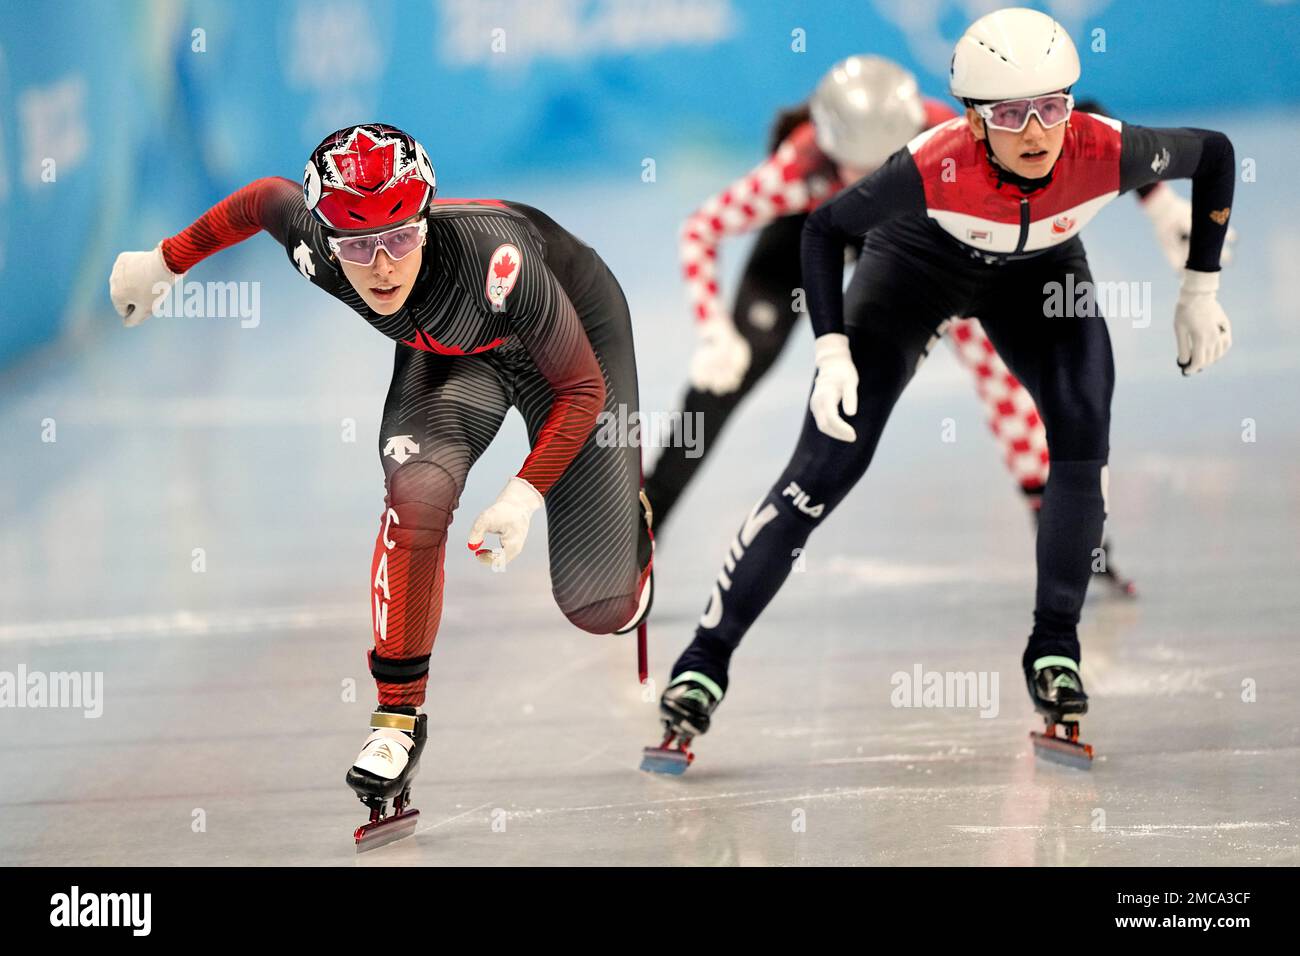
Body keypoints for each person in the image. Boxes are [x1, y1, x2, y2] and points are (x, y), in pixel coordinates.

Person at [647, 9, 1235, 769]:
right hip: (916, 271)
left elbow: (1214, 155)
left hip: (1041, 276)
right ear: (972, 119)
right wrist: (831, 351)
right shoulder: (933, 162)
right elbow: (822, 231)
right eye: (1012, 114)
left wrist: (1200, 289)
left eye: (1053, 107)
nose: (1036, 132)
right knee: (826, 466)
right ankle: (704, 661)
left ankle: (1055, 648)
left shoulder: (1102, 147)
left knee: (1083, 429)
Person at [109, 124, 653, 838]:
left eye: (399, 237)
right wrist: (164, 263)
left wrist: (522, 496)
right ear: (329, 240)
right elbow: (264, 201)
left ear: (425, 221)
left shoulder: (498, 257)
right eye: (357, 246)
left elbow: (581, 389)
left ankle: (632, 535)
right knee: (416, 494)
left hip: (570, 343)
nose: (381, 266)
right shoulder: (321, 250)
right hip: (457, 355)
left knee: (600, 605)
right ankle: (396, 721)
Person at [646, 54, 1216, 596]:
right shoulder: (798, 169)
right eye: (856, 173)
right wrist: (712, 330)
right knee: (724, 377)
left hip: (930, 245)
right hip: (813, 232)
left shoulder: (955, 145)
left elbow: (1086, 128)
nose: (870, 186)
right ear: (829, 154)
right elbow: (700, 229)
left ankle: (1073, 535)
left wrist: (1160, 202)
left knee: (1001, 378)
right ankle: (641, 526)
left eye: (883, 170)